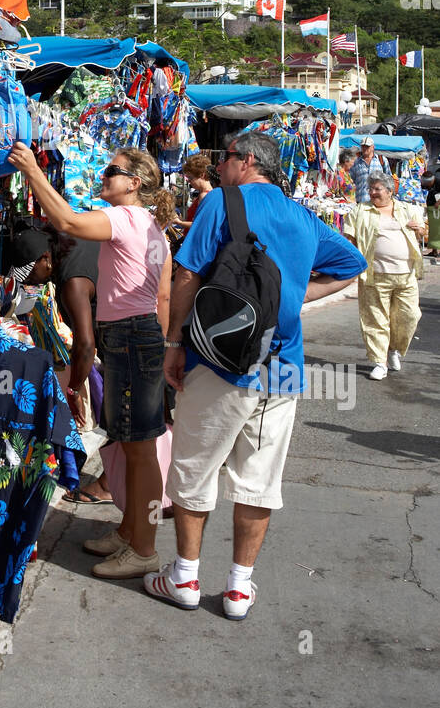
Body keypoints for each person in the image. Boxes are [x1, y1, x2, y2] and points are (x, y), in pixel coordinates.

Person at [149, 131, 366, 620]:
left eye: (225, 158)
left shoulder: (222, 203)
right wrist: (293, 299)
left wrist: (175, 343)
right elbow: (353, 264)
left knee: (194, 467)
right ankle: (239, 590)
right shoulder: (303, 216)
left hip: (219, 363)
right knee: (259, 480)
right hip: (282, 369)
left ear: (245, 161)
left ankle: (184, 577)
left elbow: (187, 274)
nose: (220, 167)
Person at [7, 142, 173, 579]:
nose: (103, 176)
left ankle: (145, 548)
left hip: (130, 337)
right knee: (134, 446)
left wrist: (32, 171)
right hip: (138, 335)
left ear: (134, 183)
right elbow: (162, 294)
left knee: (140, 452)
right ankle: (131, 532)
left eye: (112, 171)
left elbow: (66, 221)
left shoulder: (124, 217)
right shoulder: (151, 225)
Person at [8, 225, 101, 434]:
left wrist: (74, 389)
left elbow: (85, 345)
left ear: (46, 258)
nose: (28, 281)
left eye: (30, 274)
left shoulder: (72, 283)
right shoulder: (69, 243)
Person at [345, 173, 426, 379]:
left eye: (377, 189)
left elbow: (425, 231)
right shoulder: (360, 211)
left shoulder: (408, 209)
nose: (372, 193)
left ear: (390, 192)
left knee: (409, 316)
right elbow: (349, 239)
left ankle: (394, 349)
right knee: (375, 319)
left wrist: (420, 229)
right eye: (371, 189)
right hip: (374, 275)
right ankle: (379, 362)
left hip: (406, 275)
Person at [172, 154, 215, 231]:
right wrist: (181, 220)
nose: (188, 181)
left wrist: (179, 222)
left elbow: (200, 225)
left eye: (190, 178)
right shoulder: (209, 193)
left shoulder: (204, 195)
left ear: (202, 175)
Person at [350, 137, 388, 204]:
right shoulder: (355, 162)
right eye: (363, 146)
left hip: (378, 201)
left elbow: (388, 178)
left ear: (373, 147)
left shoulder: (381, 160)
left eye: (367, 146)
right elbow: (351, 180)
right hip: (361, 201)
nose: (364, 149)